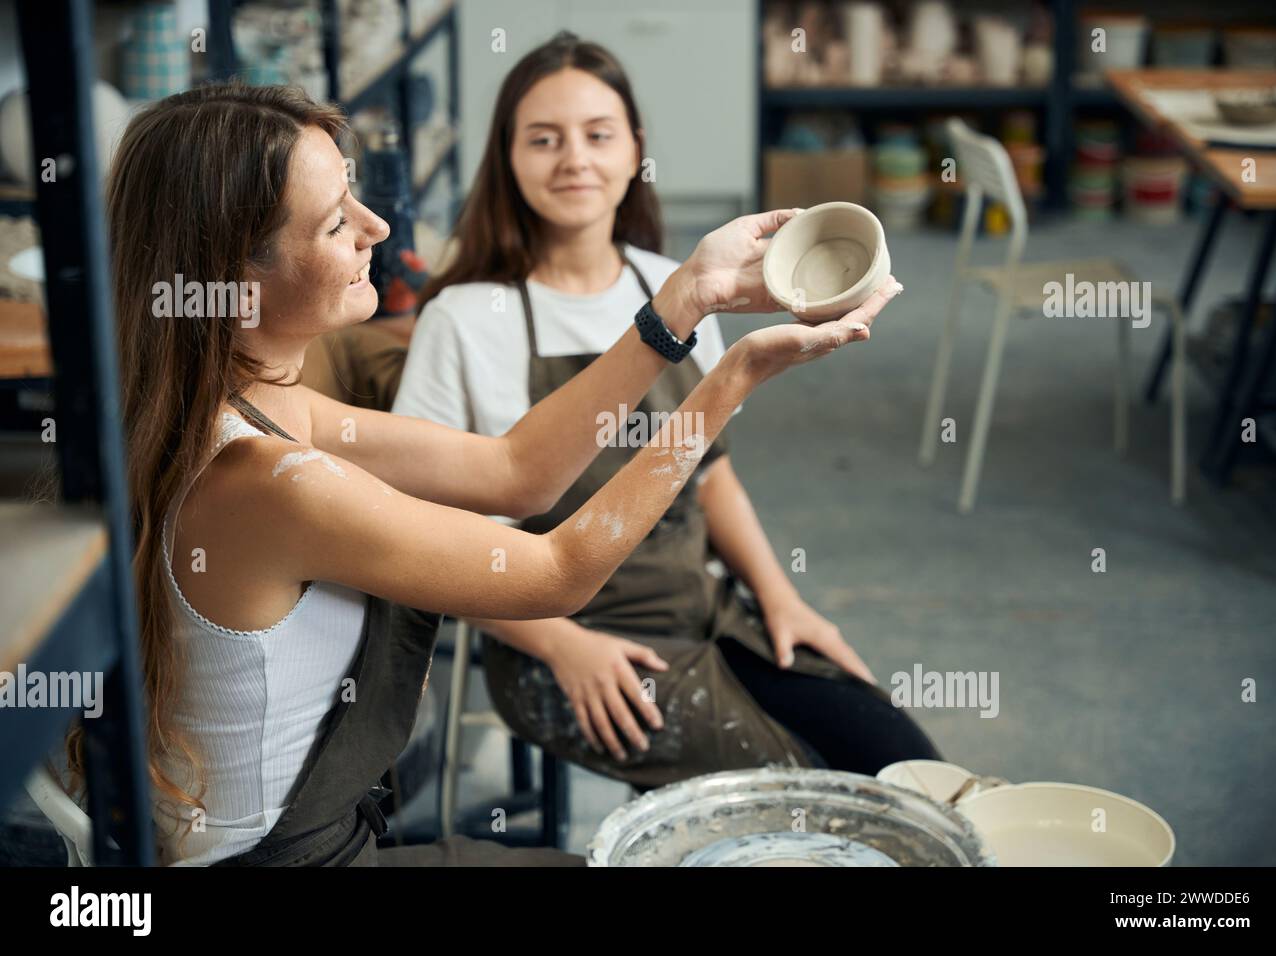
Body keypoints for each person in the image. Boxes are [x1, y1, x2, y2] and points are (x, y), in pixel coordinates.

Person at [66, 80, 893, 866]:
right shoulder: (264, 479)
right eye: (332, 225)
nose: (378, 228)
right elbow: (557, 572)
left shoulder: (257, 406)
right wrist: (731, 381)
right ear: (235, 282)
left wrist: (685, 297)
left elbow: (517, 472)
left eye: (354, 192)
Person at [394, 32, 938, 791]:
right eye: (543, 139)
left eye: (597, 134)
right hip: (565, 638)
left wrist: (783, 601)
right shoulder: (464, 318)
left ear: (635, 149)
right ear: (506, 155)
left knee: (908, 771)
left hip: (704, 606)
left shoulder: (677, 284)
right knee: (810, 797)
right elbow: (431, 543)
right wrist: (561, 646)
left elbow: (709, 475)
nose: (573, 159)